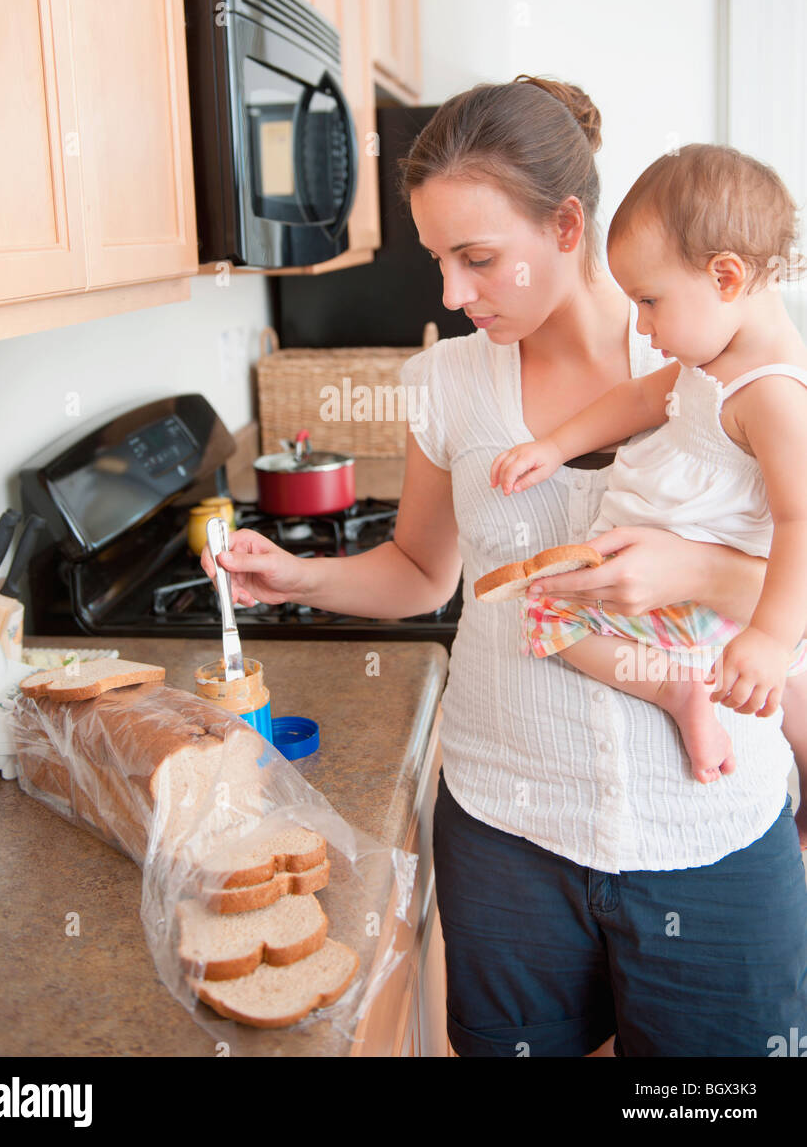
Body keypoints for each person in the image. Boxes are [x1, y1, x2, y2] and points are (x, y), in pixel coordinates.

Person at [202, 76, 807, 1057]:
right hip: (505, 830)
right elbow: (420, 572)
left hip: (709, 831)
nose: (448, 293)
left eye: (476, 259)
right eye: (438, 259)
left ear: (566, 226)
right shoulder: (446, 383)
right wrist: (300, 577)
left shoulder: (715, 358)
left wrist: (690, 568)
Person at [488, 143, 807, 821]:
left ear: (726, 277)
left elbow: (801, 520)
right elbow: (637, 400)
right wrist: (554, 445)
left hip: (703, 610)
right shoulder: (713, 361)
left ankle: (675, 690)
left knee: (547, 613)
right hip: (691, 592)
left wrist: (774, 641)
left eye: (651, 300)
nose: (643, 324)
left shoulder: (773, 394)